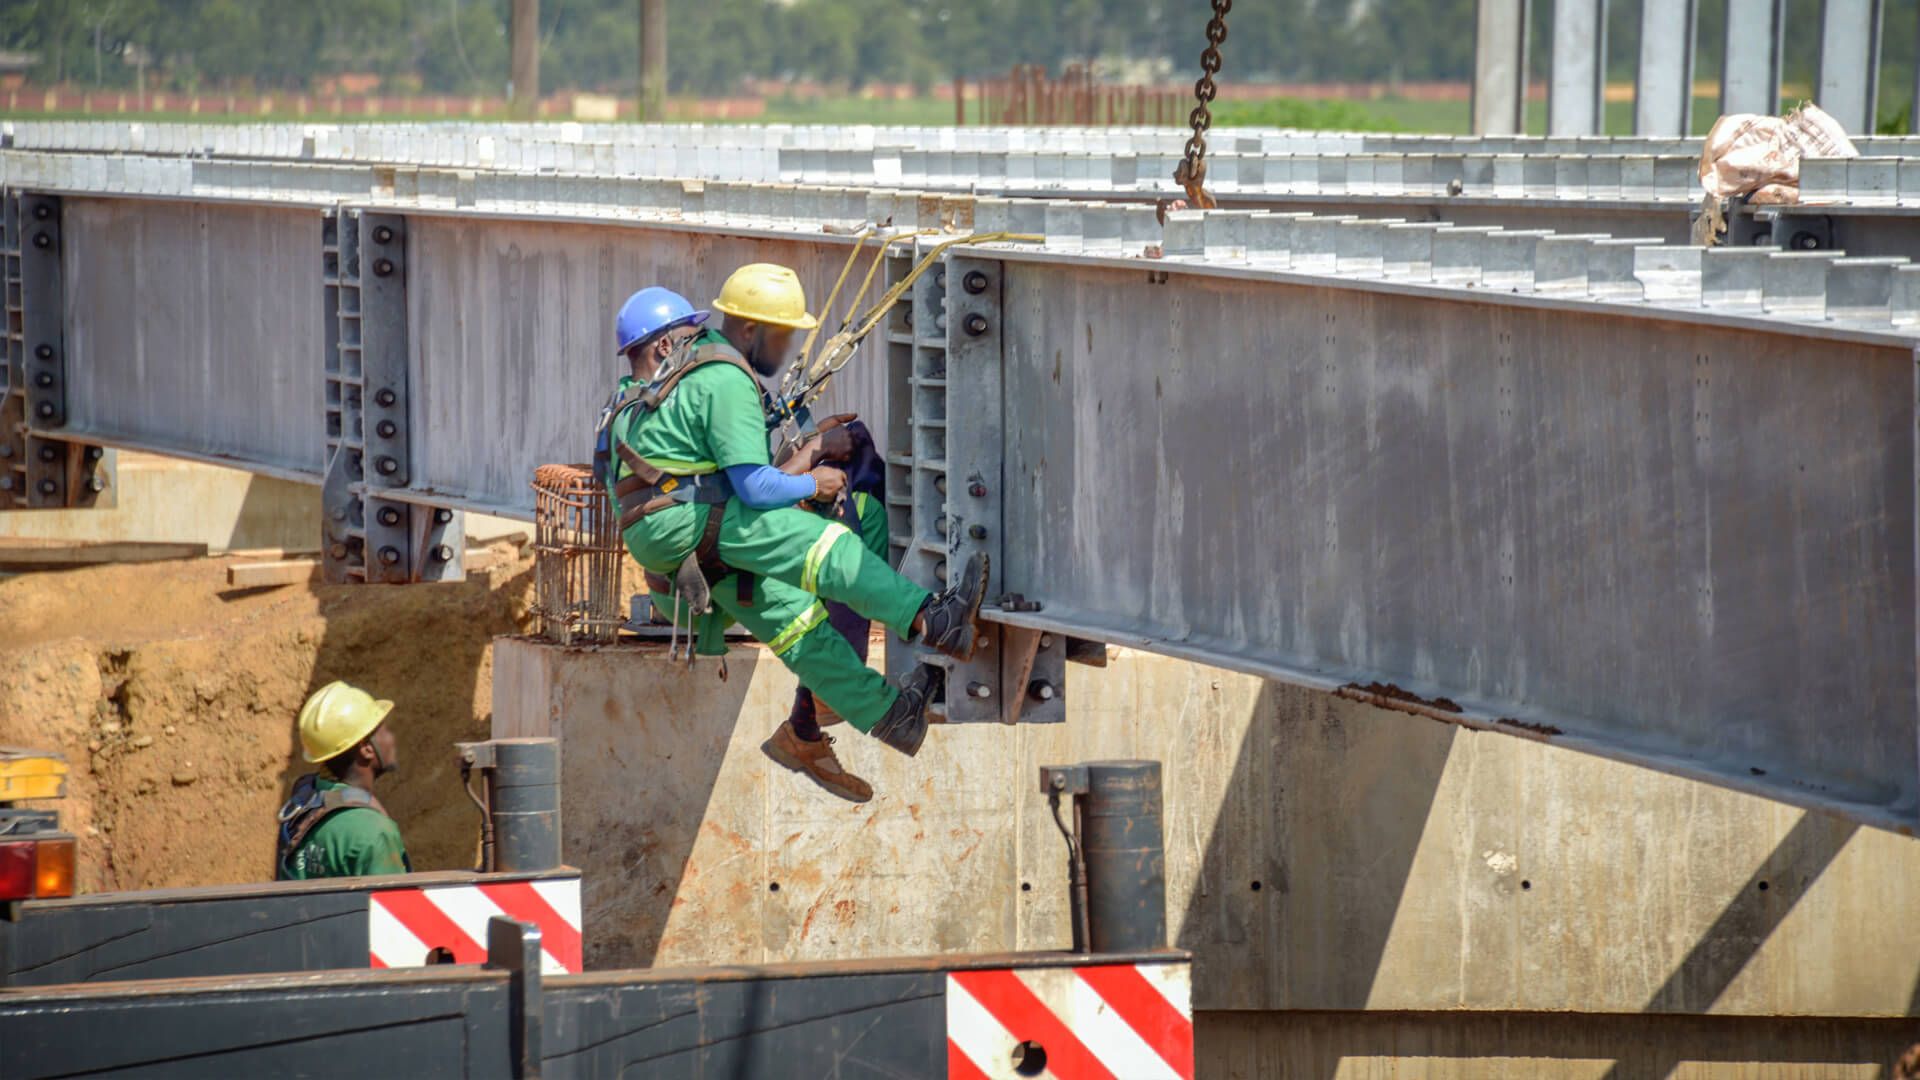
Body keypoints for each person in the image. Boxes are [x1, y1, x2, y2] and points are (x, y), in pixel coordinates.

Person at [602, 263, 988, 801]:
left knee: (795, 622)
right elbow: (753, 491)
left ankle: (890, 715)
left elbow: (672, 478)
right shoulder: (722, 378)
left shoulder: (630, 401)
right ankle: (932, 617)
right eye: (783, 336)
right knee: (827, 547)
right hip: (691, 522)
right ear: (751, 329)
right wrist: (812, 479)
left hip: (668, 538)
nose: (785, 350)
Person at [276, 681, 409, 880]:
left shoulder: (300, 806)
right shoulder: (373, 832)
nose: (391, 738)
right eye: (384, 730)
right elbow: (396, 906)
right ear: (366, 748)